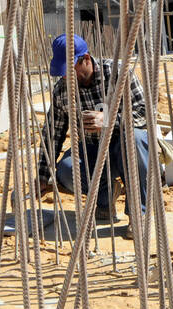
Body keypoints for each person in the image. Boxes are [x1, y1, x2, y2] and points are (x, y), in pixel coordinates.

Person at [37, 34, 151, 225]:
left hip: (123, 147)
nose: (66, 76)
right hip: (92, 152)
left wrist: (109, 120)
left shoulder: (118, 74)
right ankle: (105, 199)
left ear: (87, 59)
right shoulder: (62, 91)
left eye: (71, 69)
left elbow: (145, 112)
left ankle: (139, 214)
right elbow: (52, 134)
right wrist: (42, 175)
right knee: (66, 170)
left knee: (135, 140)